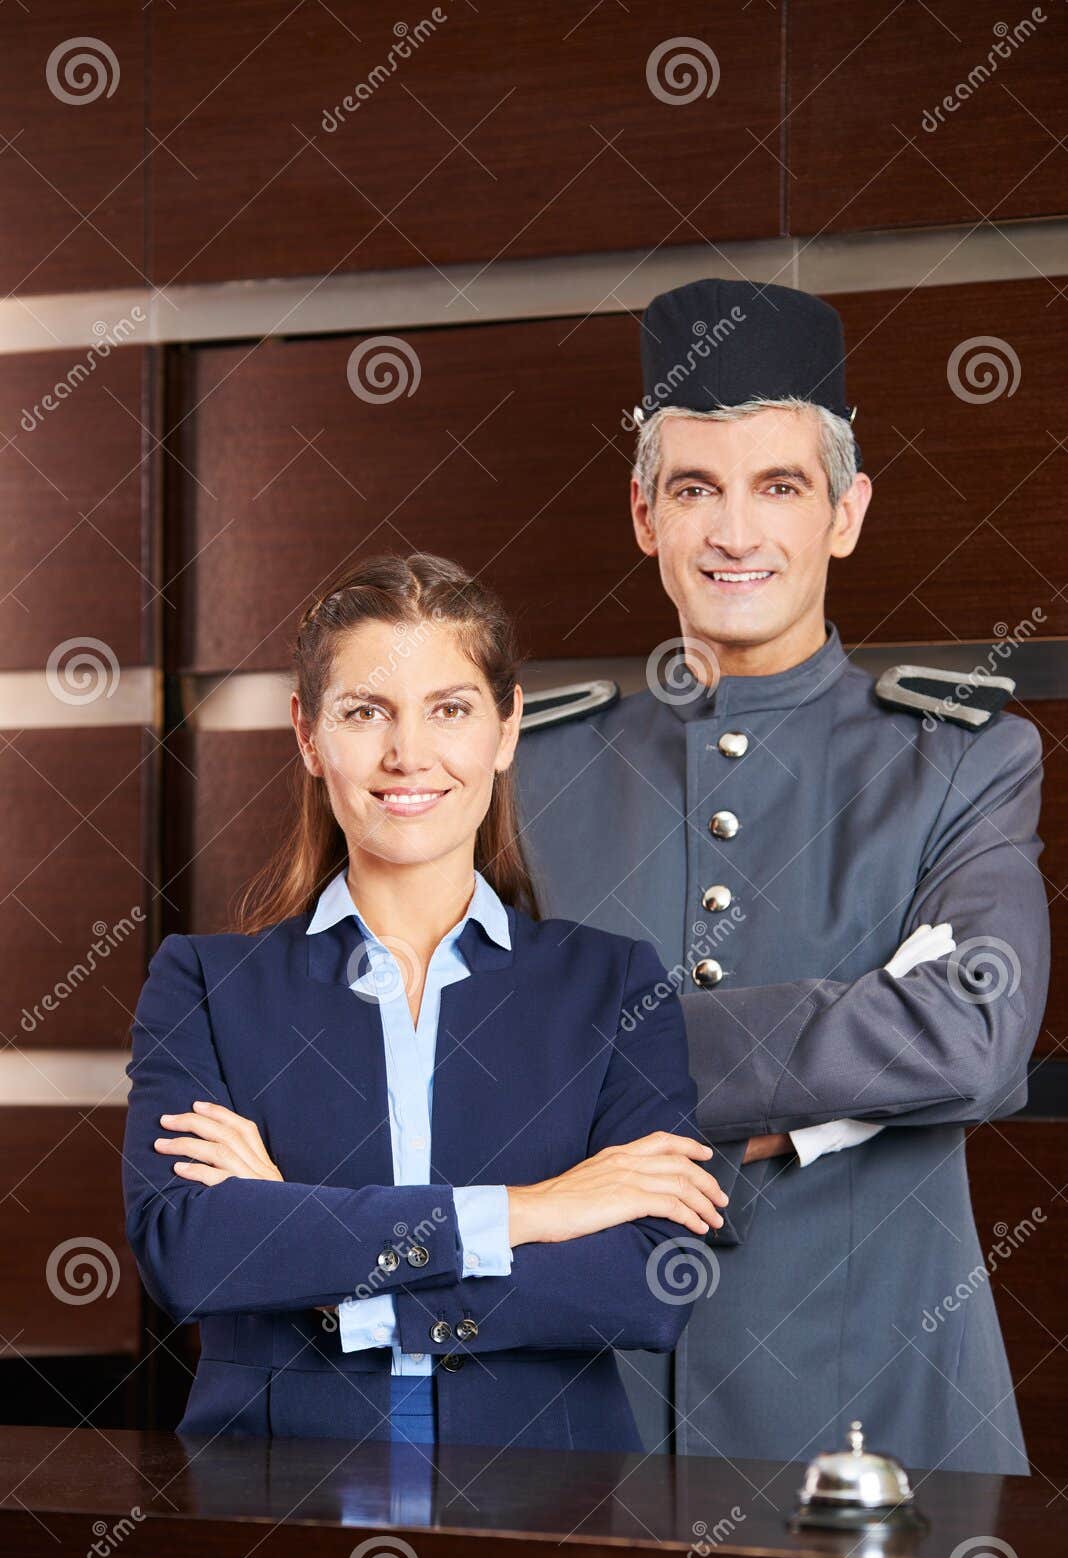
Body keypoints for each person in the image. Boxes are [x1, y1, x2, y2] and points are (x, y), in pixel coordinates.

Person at [516, 277, 1050, 1476]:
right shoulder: (528, 767)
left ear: (846, 515)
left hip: (882, 1404)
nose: (737, 533)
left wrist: (613, 1051)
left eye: (780, 487)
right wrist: (843, 1061)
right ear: (645, 514)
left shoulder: (964, 755)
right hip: (585, 1408)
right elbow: (469, 1056)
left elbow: (973, 1032)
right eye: (696, 489)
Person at [122, 552, 729, 1452]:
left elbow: (652, 1276)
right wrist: (532, 1209)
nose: (408, 754)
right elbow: (189, 1250)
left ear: (506, 726)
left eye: (449, 709)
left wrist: (310, 1245)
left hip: (549, 1509)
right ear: (308, 734)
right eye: (366, 712)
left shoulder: (614, 985)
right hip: (270, 1504)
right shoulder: (206, 984)